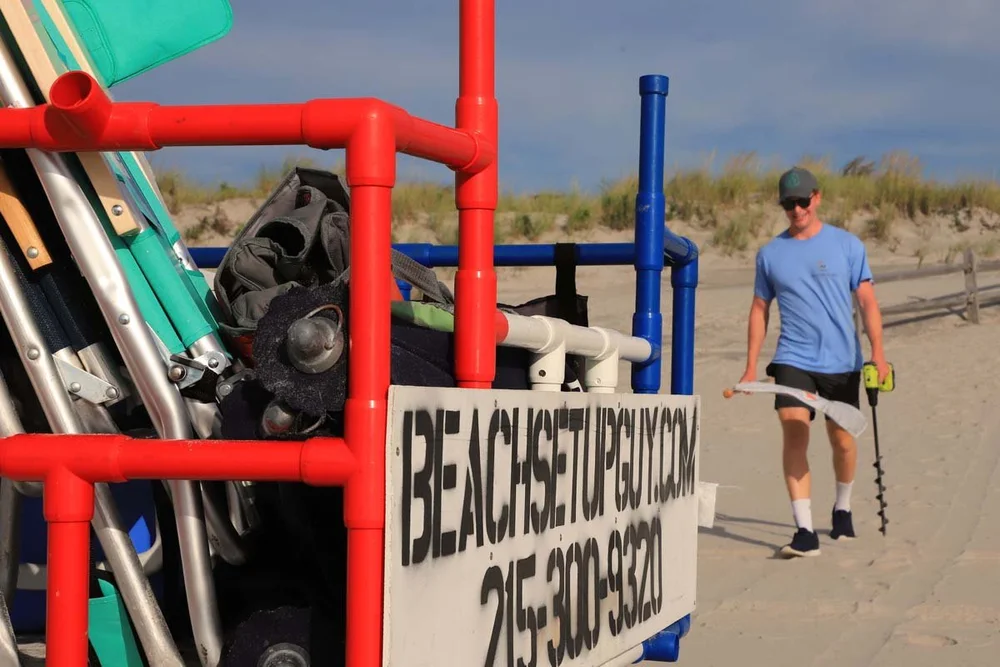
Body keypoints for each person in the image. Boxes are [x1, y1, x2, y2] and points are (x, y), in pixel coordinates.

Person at [739, 166, 890, 558]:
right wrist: (751, 365)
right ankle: (804, 531)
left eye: (802, 201)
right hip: (793, 359)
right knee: (795, 433)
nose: (796, 209)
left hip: (842, 360)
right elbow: (759, 309)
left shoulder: (848, 245)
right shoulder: (770, 255)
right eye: (788, 204)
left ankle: (842, 507)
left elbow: (868, 302)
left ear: (817, 198)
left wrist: (879, 354)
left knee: (842, 441)